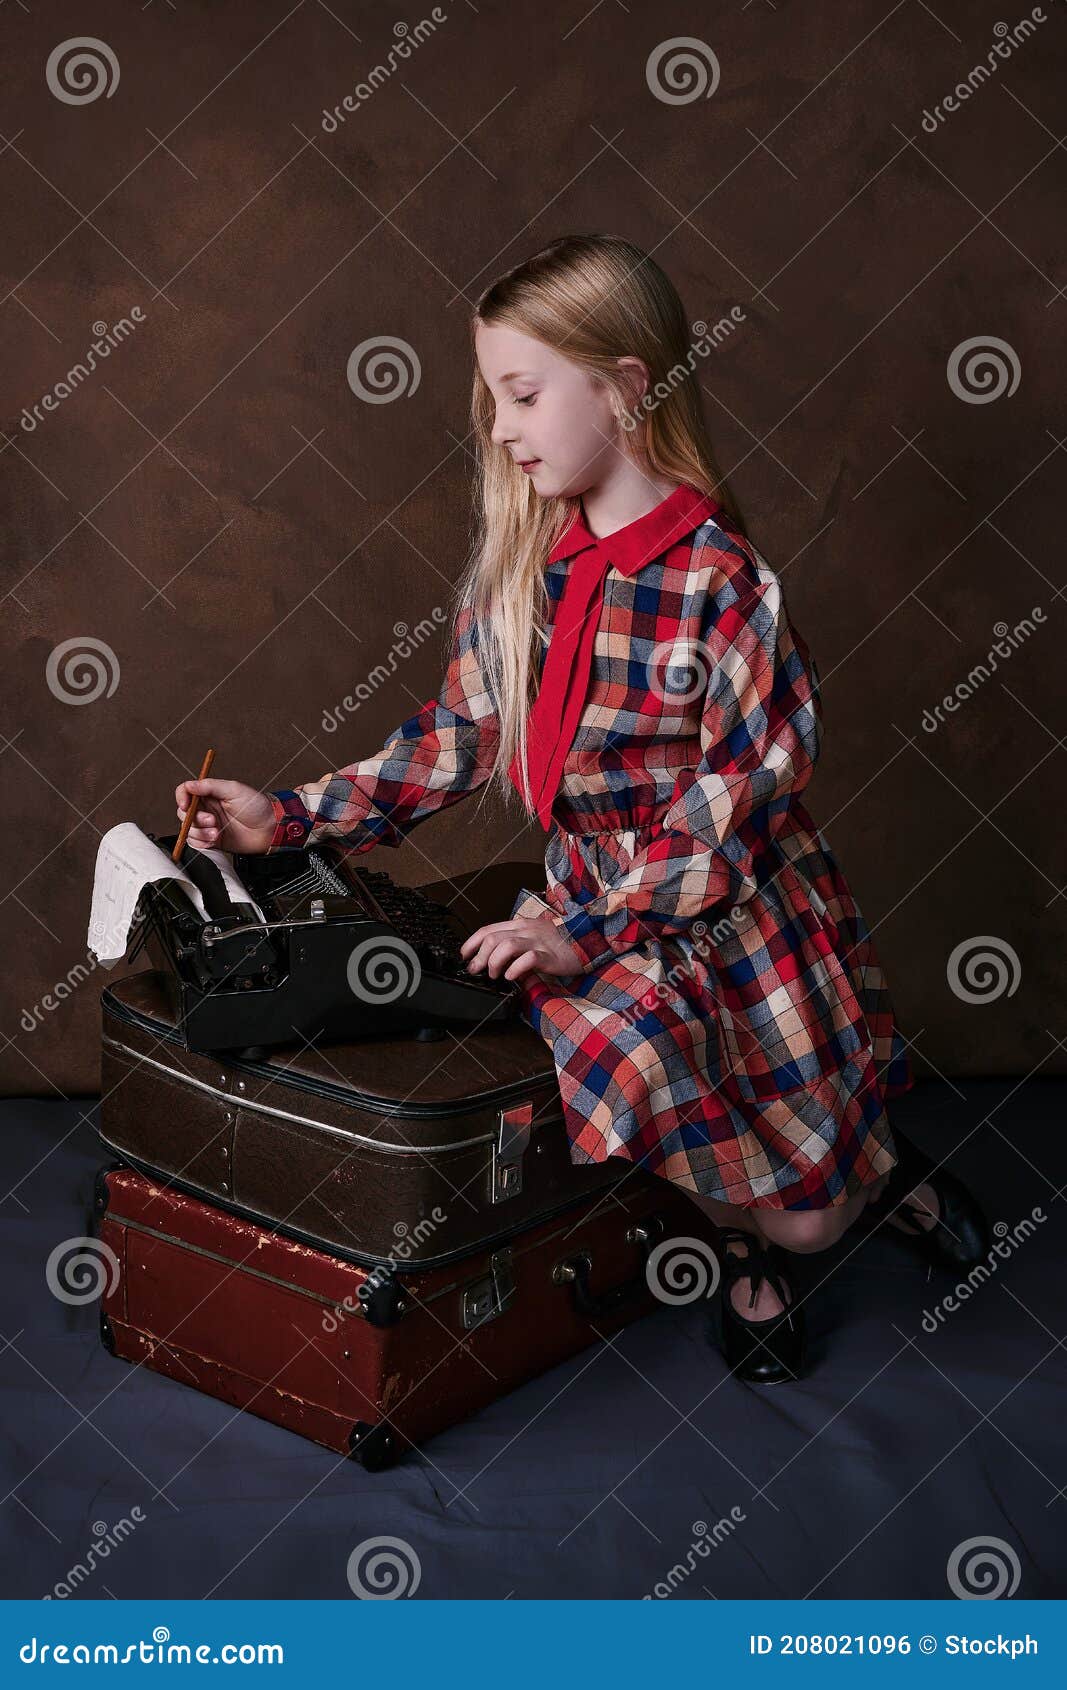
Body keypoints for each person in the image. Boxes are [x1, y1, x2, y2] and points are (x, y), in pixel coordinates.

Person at [174, 233, 990, 1387]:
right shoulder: (522, 573)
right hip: (591, 913)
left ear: (620, 387)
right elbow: (455, 740)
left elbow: (735, 801)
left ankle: (872, 1177)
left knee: (813, 1209)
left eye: (519, 395)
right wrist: (288, 818)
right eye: (491, 399)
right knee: (621, 1067)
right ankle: (726, 1240)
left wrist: (591, 926)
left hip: (720, 906)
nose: (498, 430)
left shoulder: (722, 583)